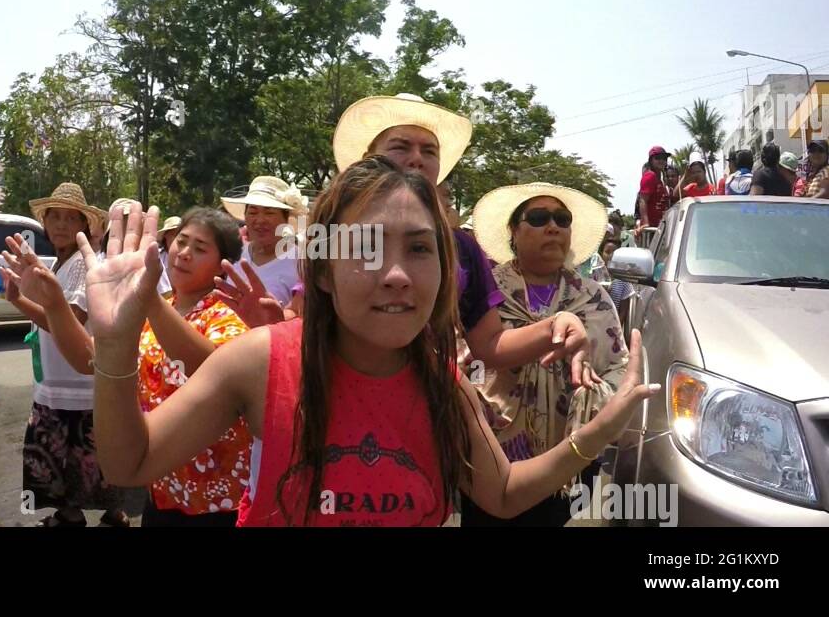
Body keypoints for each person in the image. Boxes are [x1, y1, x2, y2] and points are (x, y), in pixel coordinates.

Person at [82, 158, 659, 527]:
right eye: (367, 247)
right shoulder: (260, 362)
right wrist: (114, 345)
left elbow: (503, 494)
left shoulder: (442, 383)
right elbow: (129, 461)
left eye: (419, 248)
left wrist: (596, 433)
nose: (397, 274)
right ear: (324, 272)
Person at [221, 93, 594, 387]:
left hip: (427, 403)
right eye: (401, 146)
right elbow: (304, 320)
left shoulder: (462, 248)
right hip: (331, 395)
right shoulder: (333, 235)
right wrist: (273, 327)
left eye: (429, 151)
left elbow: (490, 346)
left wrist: (554, 326)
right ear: (369, 159)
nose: (417, 159)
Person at [2, 207, 252, 526]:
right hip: (161, 493)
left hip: (216, 504)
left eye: (200, 248)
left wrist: (147, 296)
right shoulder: (158, 308)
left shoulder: (227, 317)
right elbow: (91, 359)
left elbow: (214, 368)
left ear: (223, 264)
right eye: (181, 242)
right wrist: (54, 304)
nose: (185, 253)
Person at [463, 182, 631, 526]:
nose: (552, 226)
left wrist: (593, 395)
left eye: (562, 219)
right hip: (490, 453)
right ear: (514, 229)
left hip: (566, 458)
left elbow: (617, 367)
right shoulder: (486, 292)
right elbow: (463, 356)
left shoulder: (594, 298)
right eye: (538, 217)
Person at [5, 182, 127, 527]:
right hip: (62, 381)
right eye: (53, 217)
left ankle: (111, 514)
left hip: (79, 383)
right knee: (70, 455)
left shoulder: (80, 264)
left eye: (69, 218)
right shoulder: (58, 263)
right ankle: (79, 513)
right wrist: (21, 298)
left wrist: (20, 301)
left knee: (87, 454)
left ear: (85, 226)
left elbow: (71, 320)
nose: (60, 224)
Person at [220, 176, 307, 307]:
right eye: (253, 213)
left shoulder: (301, 263)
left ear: (286, 219)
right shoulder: (235, 253)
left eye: (269, 213)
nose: (260, 220)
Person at [637, 146, 671, 227]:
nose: (661, 161)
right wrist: (645, 222)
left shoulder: (660, 178)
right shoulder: (650, 175)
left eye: (664, 158)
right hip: (651, 226)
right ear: (651, 160)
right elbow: (643, 200)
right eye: (658, 158)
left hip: (660, 224)